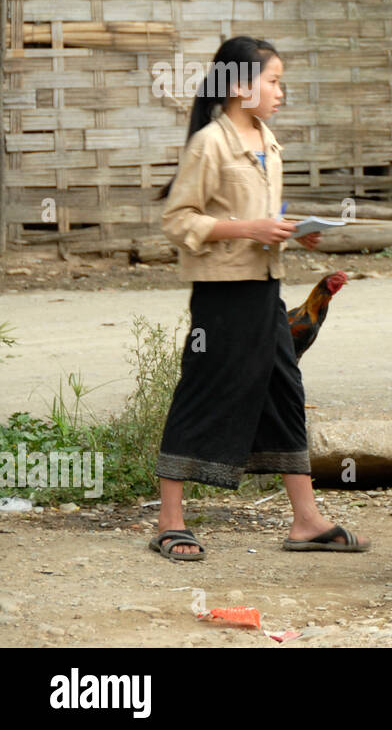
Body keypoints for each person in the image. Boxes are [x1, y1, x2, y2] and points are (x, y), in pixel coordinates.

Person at [153, 36, 368, 561]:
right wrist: (249, 227)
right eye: (273, 80)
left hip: (265, 289)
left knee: (284, 391)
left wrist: (293, 231)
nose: (279, 91)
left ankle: (306, 520)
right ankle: (169, 522)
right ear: (241, 86)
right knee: (206, 390)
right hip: (223, 297)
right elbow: (178, 221)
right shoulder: (210, 143)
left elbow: (262, 217)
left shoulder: (267, 140)